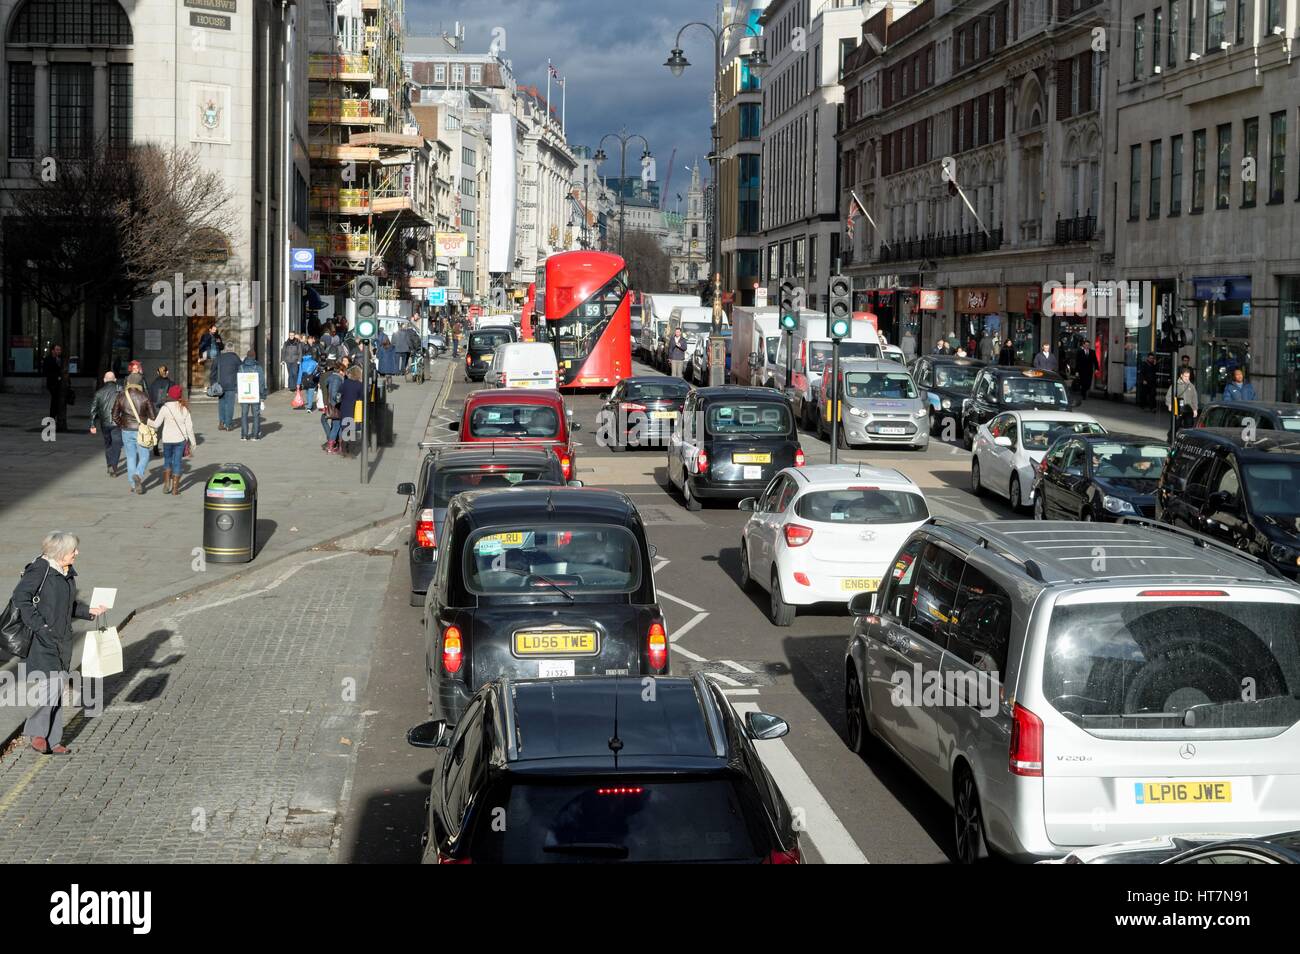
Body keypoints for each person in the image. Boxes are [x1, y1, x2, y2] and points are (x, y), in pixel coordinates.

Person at [13, 532, 109, 756]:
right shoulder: (40, 570)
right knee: (52, 685)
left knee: (56, 688)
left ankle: (52, 740)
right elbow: (20, 598)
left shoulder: (67, 572)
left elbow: (67, 605)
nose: (77, 553)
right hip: (43, 639)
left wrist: (89, 611)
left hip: (63, 640)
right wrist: (40, 626)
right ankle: (36, 732)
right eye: (73, 550)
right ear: (60, 552)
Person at [112, 373, 156, 494]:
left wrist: (122, 424)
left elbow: (114, 416)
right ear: (140, 383)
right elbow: (153, 416)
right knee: (145, 455)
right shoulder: (144, 396)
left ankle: (133, 484)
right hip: (141, 430)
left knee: (130, 457)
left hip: (126, 430)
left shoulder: (121, 396)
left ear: (128, 382)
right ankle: (138, 474)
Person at [149, 385, 197, 494]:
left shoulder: (165, 408)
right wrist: (193, 442)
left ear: (169, 395)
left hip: (167, 440)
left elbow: (156, 424)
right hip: (180, 440)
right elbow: (189, 428)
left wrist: (146, 421)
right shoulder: (184, 408)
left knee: (167, 461)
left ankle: (166, 484)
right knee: (177, 463)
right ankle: (175, 489)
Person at [88, 371, 123, 478]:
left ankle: (109, 464)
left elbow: (93, 410)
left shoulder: (99, 392)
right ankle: (114, 465)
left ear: (104, 380)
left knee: (108, 444)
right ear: (115, 380)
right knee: (117, 445)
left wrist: (92, 424)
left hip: (104, 423)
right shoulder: (120, 391)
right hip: (117, 422)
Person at [339, 365, 366, 459]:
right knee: (353, 431)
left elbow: (340, 392)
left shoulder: (345, 383)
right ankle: (350, 451)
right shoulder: (360, 385)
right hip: (355, 408)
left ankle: (344, 450)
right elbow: (362, 396)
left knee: (345, 429)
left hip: (345, 407)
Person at [240, 349, 267, 440]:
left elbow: (238, 382)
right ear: (254, 356)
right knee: (256, 415)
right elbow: (262, 383)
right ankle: (255, 435)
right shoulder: (258, 367)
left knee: (244, 414)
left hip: (244, 395)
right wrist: (263, 396)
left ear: (247, 356)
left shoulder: (241, 367)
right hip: (255, 394)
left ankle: (244, 435)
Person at [320, 361, 346, 454]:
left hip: (334, 405)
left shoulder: (333, 378)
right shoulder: (336, 379)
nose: (345, 373)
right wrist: (341, 399)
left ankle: (334, 446)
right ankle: (331, 447)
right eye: (344, 371)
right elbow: (335, 394)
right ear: (340, 371)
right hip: (336, 406)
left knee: (337, 426)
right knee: (336, 426)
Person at [42, 344, 68, 433]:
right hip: (52, 384)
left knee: (56, 402)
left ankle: (54, 419)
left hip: (59, 384)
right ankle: (52, 420)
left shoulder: (60, 359)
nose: (59, 351)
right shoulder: (48, 359)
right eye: (57, 350)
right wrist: (56, 377)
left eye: (59, 350)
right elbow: (46, 371)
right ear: (52, 350)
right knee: (54, 402)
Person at [1166, 367, 1199, 438]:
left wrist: (1195, 409)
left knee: (1189, 426)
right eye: (1185, 376)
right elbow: (1169, 395)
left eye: (1188, 376)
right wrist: (1169, 404)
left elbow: (1194, 398)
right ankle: (1170, 438)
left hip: (1188, 409)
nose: (1187, 378)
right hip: (1178, 408)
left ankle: (1186, 440)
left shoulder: (1191, 386)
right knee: (1176, 425)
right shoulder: (1176, 385)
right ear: (1181, 375)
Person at [214, 347, 241, 430]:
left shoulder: (219, 357)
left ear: (225, 350)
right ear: (233, 349)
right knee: (229, 405)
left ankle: (221, 422)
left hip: (220, 385)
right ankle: (228, 424)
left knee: (221, 404)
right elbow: (241, 369)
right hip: (231, 385)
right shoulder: (235, 358)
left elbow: (213, 370)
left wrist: (213, 382)